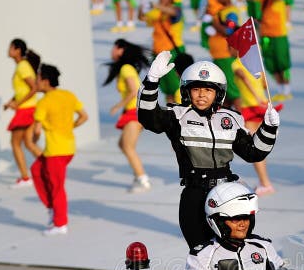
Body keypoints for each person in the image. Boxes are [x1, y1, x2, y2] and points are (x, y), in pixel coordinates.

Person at [137, 53, 280, 248]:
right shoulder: (177, 116)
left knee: (234, 250)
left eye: (208, 89)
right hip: (194, 194)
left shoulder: (231, 118)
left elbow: (254, 153)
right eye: (196, 89)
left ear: (218, 93)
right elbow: (148, 117)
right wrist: (152, 81)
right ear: (187, 91)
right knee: (200, 252)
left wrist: (269, 128)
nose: (202, 94)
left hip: (227, 193)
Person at [28, 64, 89, 236]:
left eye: (38, 79)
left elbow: (37, 130)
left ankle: (60, 224)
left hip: (55, 151)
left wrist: (33, 142)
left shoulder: (44, 102)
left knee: (57, 187)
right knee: (36, 169)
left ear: (46, 81)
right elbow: (84, 116)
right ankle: (52, 209)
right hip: (68, 148)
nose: (36, 82)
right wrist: (70, 127)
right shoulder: (68, 95)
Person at [104, 39, 153, 192]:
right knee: (123, 145)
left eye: (114, 48)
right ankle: (138, 175)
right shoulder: (125, 68)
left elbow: (134, 91)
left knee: (128, 147)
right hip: (132, 111)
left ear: (121, 50)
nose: (112, 51)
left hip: (135, 112)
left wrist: (117, 106)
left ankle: (142, 180)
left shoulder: (126, 68)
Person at [229, 48, 279, 195]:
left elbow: (243, 78)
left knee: (253, 148)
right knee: (260, 145)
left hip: (250, 107)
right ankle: (265, 181)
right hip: (263, 105)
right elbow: (264, 84)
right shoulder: (255, 63)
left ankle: (265, 183)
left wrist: (255, 97)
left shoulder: (236, 64)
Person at [3, 38, 41, 188]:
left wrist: (17, 103)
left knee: (15, 143)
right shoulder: (21, 66)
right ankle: (49, 167)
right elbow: (22, 90)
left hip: (26, 109)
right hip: (28, 108)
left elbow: (34, 88)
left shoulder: (22, 67)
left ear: (17, 50)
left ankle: (25, 178)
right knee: (28, 143)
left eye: (11, 47)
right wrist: (11, 101)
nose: (9, 50)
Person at [139, 0, 185, 103]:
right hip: (158, 54)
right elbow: (142, 17)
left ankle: (181, 113)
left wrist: (156, 6)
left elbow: (174, 13)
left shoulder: (176, 9)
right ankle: (170, 113)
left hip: (172, 53)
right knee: (167, 89)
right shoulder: (157, 12)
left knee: (176, 87)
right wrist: (142, 4)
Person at [208, 0, 242, 107]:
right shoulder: (221, 11)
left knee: (233, 91)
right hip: (219, 55)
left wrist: (215, 24)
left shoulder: (231, 12)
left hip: (225, 55)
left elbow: (229, 30)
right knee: (224, 91)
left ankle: (241, 118)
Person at [259, 0, 293, 100]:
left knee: (282, 62)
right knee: (270, 63)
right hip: (265, 34)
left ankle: (287, 89)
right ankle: (280, 89)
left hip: (279, 34)